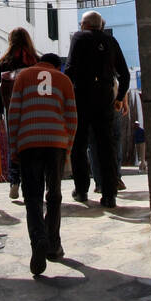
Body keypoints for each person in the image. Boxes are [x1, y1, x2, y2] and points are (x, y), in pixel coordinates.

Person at [8, 52, 77, 276]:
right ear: (57, 65)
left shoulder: (23, 77)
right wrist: (67, 149)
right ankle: (54, 245)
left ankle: (38, 239)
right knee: (54, 194)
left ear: (39, 63)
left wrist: (13, 147)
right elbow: (72, 117)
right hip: (55, 142)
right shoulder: (63, 80)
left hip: (29, 141)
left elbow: (14, 114)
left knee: (33, 197)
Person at [64, 12, 130, 210]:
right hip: (104, 98)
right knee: (105, 145)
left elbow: (69, 70)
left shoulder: (78, 37)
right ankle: (109, 195)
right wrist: (119, 98)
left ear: (84, 24)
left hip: (81, 96)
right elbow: (124, 74)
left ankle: (82, 189)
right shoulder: (111, 41)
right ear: (100, 25)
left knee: (79, 144)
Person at [0, 27, 38, 199]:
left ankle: (14, 181)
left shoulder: (4, 62)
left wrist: (0, 114)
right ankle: (33, 183)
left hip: (12, 108)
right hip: (33, 108)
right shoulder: (35, 60)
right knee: (32, 145)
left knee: (14, 145)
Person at [90, 91, 128, 192]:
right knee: (111, 142)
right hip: (109, 100)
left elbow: (123, 79)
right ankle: (111, 180)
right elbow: (123, 78)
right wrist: (123, 99)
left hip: (106, 101)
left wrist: (123, 99)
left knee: (96, 143)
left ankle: (105, 182)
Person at [132, 91, 147, 172]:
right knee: (141, 156)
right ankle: (142, 167)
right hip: (138, 143)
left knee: (142, 156)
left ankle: (142, 167)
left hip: (141, 143)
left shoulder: (140, 130)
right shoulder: (137, 131)